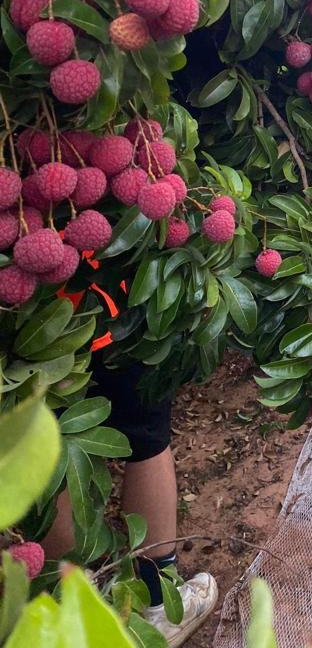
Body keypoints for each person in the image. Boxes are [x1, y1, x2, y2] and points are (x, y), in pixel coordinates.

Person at [42, 273, 218, 647]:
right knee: (146, 442)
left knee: (47, 460)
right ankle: (158, 603)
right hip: (114, 313)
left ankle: (80, 617)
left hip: (27, 334)